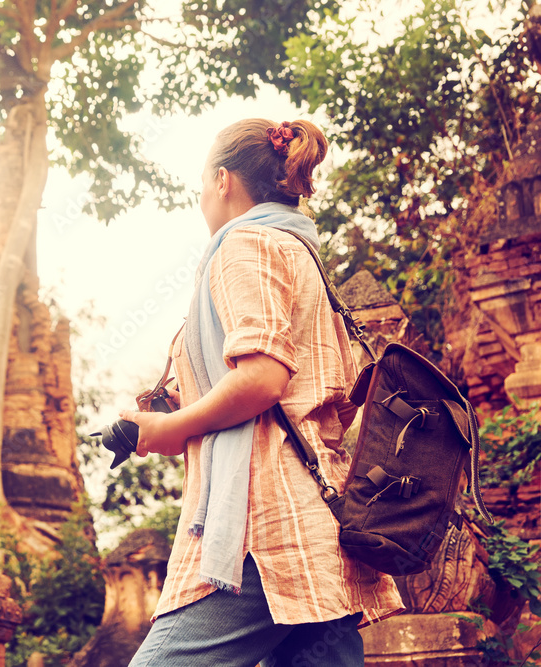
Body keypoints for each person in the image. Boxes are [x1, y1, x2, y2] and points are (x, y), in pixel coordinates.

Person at [120, 119, 404, 666]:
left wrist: (168, 428)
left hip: (263, 526)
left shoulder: (243, 244)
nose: (201, 197)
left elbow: (264, 379)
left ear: (223, 179)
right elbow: (327, 398)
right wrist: (187, 410)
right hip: (318, 530)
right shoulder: (301, 253)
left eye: (203, 181)